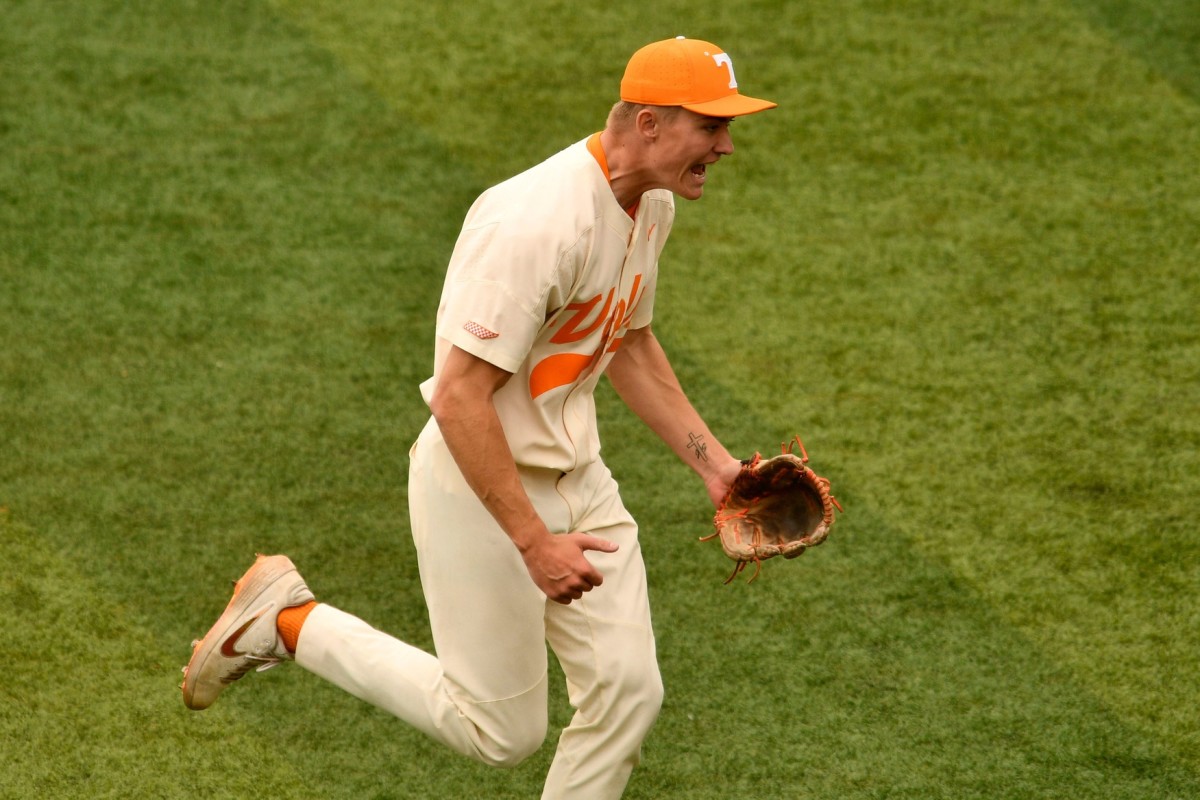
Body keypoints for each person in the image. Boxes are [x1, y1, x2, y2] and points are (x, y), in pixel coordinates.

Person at [182, 35, 776, 799]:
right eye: (710, 126)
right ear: (649, 122)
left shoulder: (649, 201)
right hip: (480, 486)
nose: (726, 146)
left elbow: (626, 339)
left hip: (579, 478)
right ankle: (291, 623)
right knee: (500, 733)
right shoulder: (533, 224)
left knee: (630, 693)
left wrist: (717, 468)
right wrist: (532, 542)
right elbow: (460, 397)